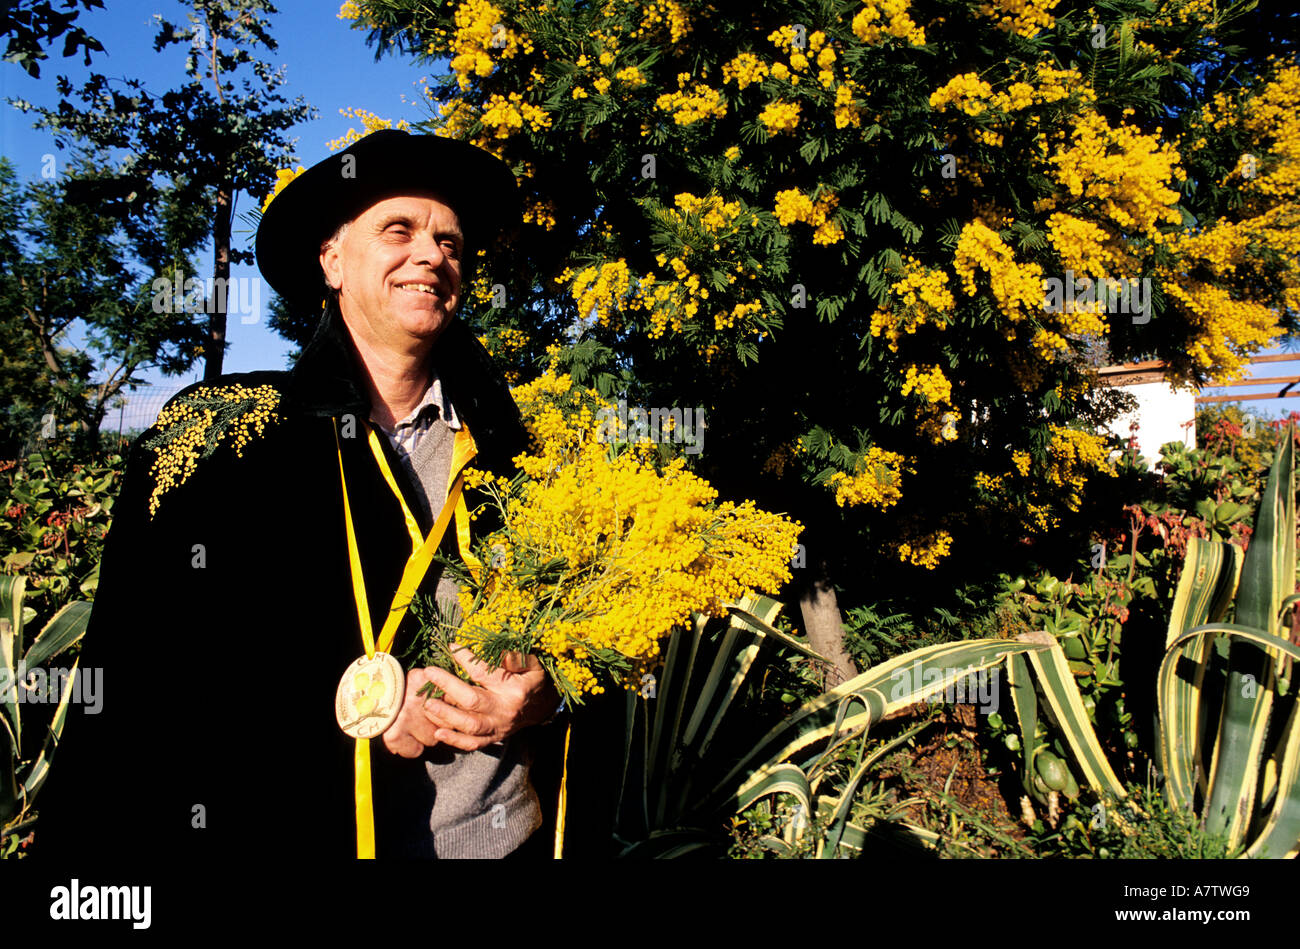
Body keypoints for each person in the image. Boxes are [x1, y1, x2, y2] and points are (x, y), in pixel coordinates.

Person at [35, 130, 563, 862]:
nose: (431, 255)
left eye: (449, 240)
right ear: (332, 260)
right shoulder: (224, 442)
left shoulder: (514, 448)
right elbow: (156, 678)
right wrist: (363, 706)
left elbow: (576, 631)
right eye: (398, 229)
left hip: (512, 839)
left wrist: (547, 693)